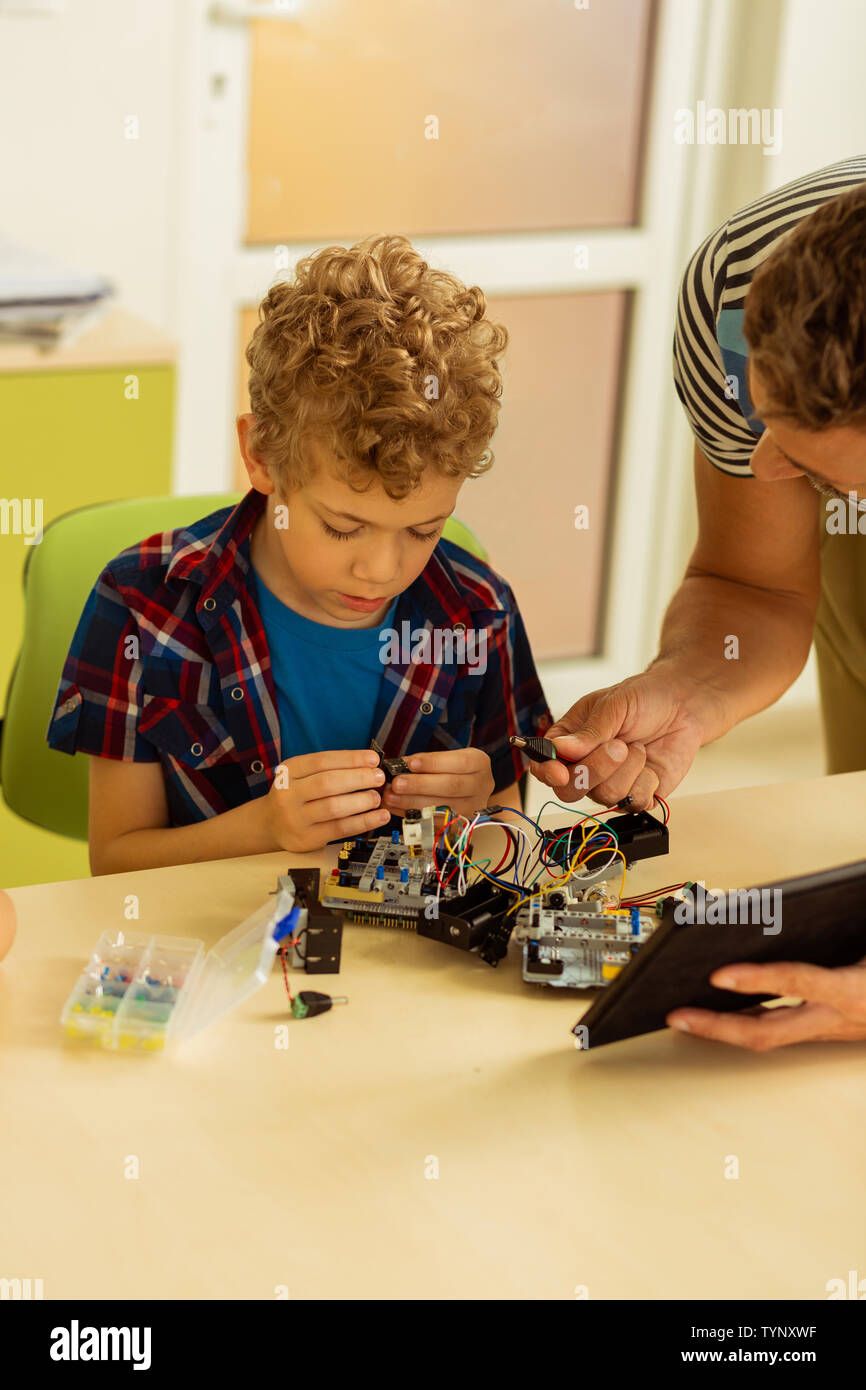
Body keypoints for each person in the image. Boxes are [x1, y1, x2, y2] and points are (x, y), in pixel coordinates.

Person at [46, 235, 551, 873]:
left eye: (424, 530)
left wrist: (476, 816)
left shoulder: (479, 613)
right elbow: (117, 864)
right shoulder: (143, 605)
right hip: (213, 949)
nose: (383, 570)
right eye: (343, 527)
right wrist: (265, 825)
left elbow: (511, 847)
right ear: (260, 457)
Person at [531, 157, 866, 1049]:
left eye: (815, 467)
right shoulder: (739, 291)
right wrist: (693, 685)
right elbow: (754, 582)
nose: (764, 474)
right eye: (772, 430)